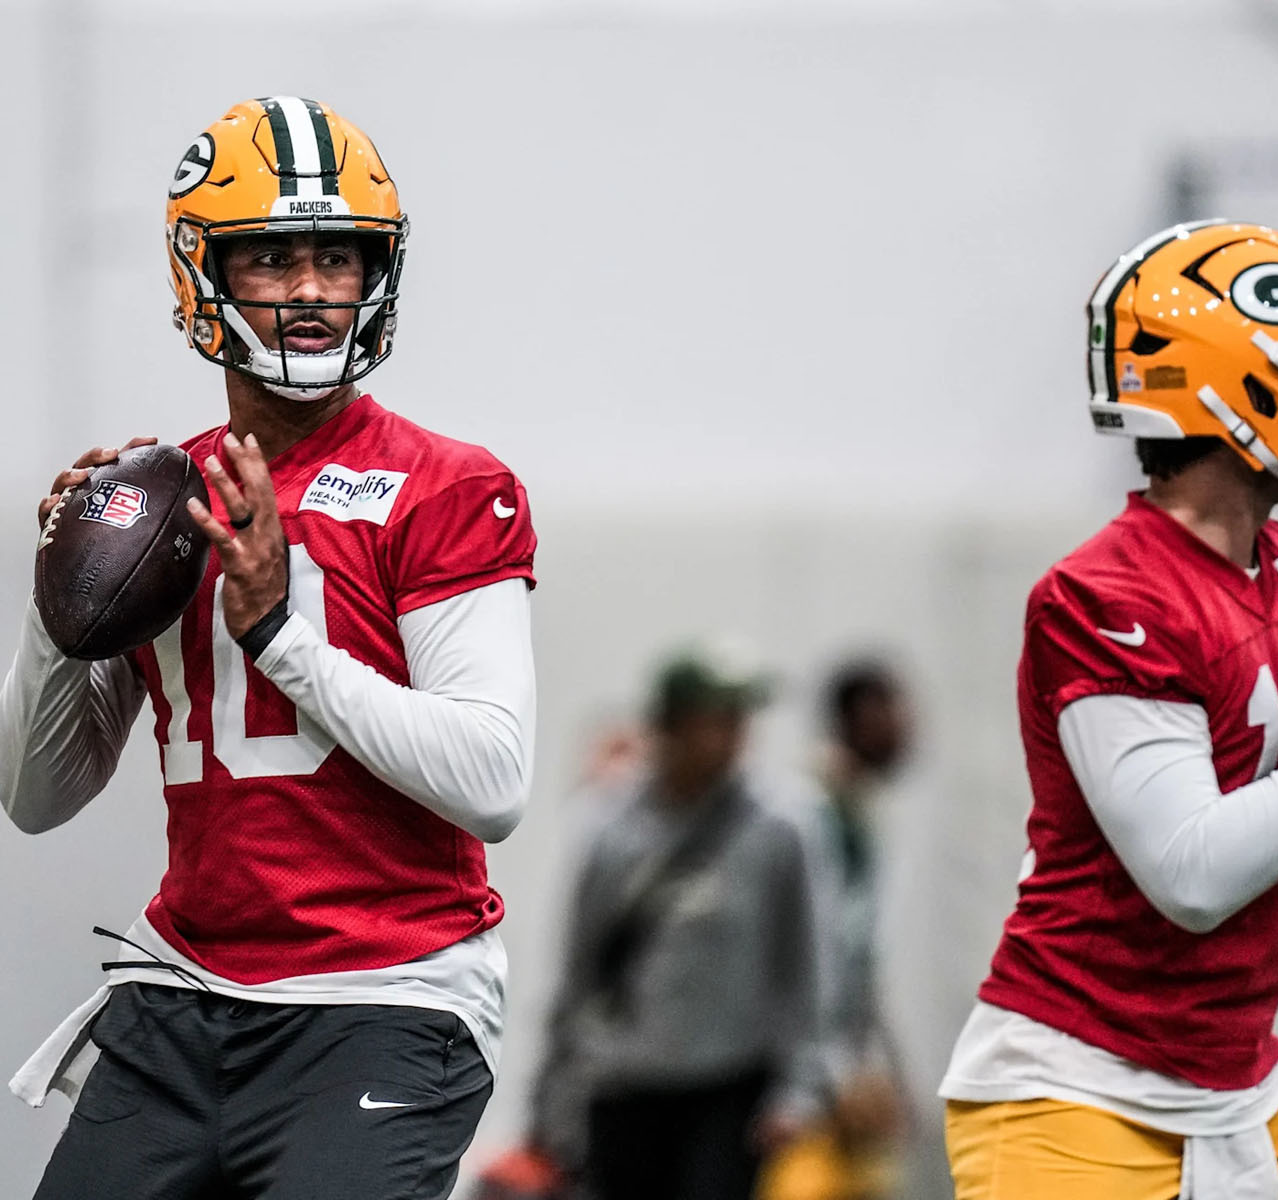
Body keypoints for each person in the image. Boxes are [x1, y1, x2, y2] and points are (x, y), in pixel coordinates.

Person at [1, 96, 538, 1200]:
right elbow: (35, 797)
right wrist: (57, 613)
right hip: (185, 984)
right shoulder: (164, 501)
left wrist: (279, 635)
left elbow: (493, 783)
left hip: (383, 994)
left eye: (337, 259)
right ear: (201, 273)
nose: (309, 290)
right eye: (273, 258)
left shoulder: (448, 485)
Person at [939, 219, 1278, 1200]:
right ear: (1244, 392)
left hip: (1237, 1072)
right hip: (1077, 1087)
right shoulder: (1104, 598)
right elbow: (1193, 876)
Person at [528, 638, 824, 1200]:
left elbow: (807, 963)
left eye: (740, 720)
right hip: (624, 1082)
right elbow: (580, 967)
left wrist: (800, 1087)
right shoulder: (610, 826)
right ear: (671, 725)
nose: (733, 736)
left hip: (728, 1086)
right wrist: (552, 1094)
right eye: (716, 720)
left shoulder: (779, 827)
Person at [760, 658, 913, 1200]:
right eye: (888, 712)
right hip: (806, 1084)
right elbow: (820, 952)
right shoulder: (818, 811)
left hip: (837, 1069)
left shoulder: (858, 806)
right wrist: (838, 1071)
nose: (903, 727)